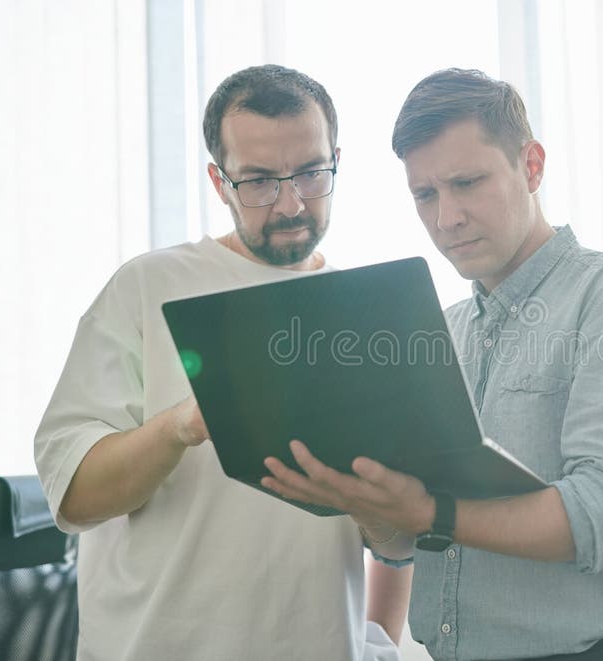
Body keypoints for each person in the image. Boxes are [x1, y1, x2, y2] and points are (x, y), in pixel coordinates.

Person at [261, 68, 603, 661]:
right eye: (426, 195)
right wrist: (365, 500)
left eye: (467, 182)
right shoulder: (437, 331)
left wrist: (429, 511)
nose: (446, 218)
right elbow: (402, 544)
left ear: (531, 166)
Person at [34, 64, 412, 661]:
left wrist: (382, 638)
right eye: (259, 181)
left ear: (336, 159)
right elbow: (74, 497)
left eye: (312, 174)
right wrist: (183, 425)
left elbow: (396, 541)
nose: (291, 204)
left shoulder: (369, 314)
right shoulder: (147, 287)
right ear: (218, 181)